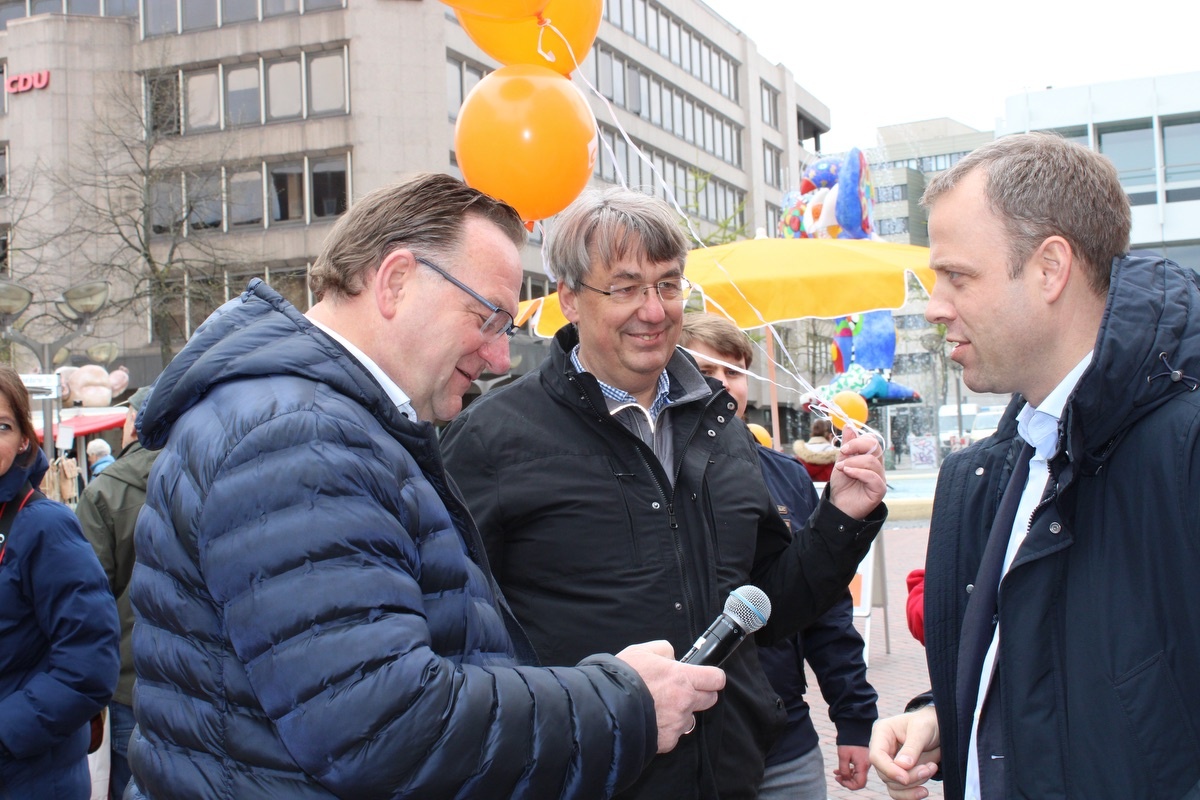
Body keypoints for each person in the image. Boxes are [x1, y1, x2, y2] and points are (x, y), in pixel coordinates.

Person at [125, 173, 725, 800]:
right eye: (488, 318)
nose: (499, 357)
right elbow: (382, 726)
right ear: (396, 281)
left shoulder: (318, 423)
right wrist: (620, 706)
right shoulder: (299, 438)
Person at [441, 186, 887, 800]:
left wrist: (842, 519)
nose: (653, 310)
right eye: (624, 288)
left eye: (668, 284)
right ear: (569, 298)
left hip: (732, 777)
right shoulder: (490, 440)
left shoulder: (720, 426)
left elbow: (770, 606)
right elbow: (453, 639)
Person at [869, 132, 1200, 800]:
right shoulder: (1006, 462)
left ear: (1051, 269)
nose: (935, 306)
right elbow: (1070, 666)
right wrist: (957, 713)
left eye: (958, 276)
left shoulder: (1182, 447)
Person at [679, 312, 878, 799]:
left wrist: (853, 717)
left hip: (785, 740)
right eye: (705, 371)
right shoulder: (655, 475)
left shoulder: (787, 476)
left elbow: (826, 609)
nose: (722, 384)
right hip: (686, 744)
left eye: (733, 371)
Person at [0, 365, 121, 799]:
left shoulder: (44, 526)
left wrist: (5, 733)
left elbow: (89, 663)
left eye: (2, 425)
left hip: (26, 779)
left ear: (23, 441)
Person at [75, 384, 157, 799]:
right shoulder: (204, 473)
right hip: (194, 677)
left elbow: (89, 600)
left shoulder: (103, 492)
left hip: (127, 680)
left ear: (132, 427)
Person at [792, 418, 837, 482]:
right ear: (830, 435)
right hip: (827, 491)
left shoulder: (799, 455)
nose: (837, 439)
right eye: (835, 437)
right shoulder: (835, 454)